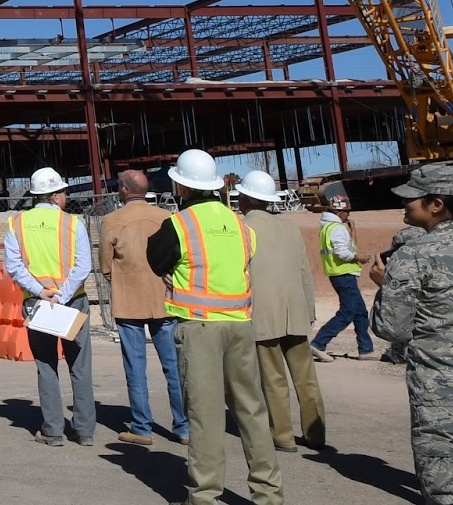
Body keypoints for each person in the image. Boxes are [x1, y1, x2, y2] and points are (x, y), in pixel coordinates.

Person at [146, 149, 282, 505]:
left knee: (205, 415)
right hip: (240, 324)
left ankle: (204, 495)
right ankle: (269, 494)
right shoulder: (240, 224)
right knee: (251, 410)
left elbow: (156, 259)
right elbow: (245, 259)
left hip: (199, 327)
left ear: (181, 185)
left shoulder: (178, 224)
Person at [370, 162, 453, 504]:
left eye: (412, 199)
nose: (405, 205)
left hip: (447, 403)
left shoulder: (413, 255)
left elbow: (391, 327)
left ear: (436, 205)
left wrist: (385, 286)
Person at [3, 166, 95, 446]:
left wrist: (42, 292)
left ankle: (53, 430)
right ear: (54, 195)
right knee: (80, 365)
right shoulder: (72, 223)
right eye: (64, 192)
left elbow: (14, 266)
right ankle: (84, 431)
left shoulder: (16, 223)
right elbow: (83, 266)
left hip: (37, 303)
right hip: (73, 301)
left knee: (46, 366)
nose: (66, 196)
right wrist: (63, 295)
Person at [236, 169, 326, 453]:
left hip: (262, 312)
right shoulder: (290, 227)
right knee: (306, 378)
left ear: (247, 198)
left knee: (273, 378)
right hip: (295, 310)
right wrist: (309, 308)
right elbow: (304, 272)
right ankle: (316, 434)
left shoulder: (242, 229)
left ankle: (283, 435)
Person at [99, 169, 186, 446]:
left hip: (129, 303)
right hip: (164, 299)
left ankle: (142, 427)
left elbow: (104, 263)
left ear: (123, 190)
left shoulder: (112, 220)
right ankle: (183, 427)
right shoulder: (165, 218)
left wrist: (119, 276)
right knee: (174, 366)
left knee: (135, 366)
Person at [310, 183, 376, 361]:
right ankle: (318, 343)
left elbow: (348, 248)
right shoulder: (336, 228)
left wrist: (353, 232)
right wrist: (358, 259)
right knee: (347, 313)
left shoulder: (329, 227)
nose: (348, 215)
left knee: (360, 312)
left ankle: (366, 349)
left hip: (342, 275)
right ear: (340, 212)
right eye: (347, 212)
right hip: (343, 275)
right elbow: (343, 253)